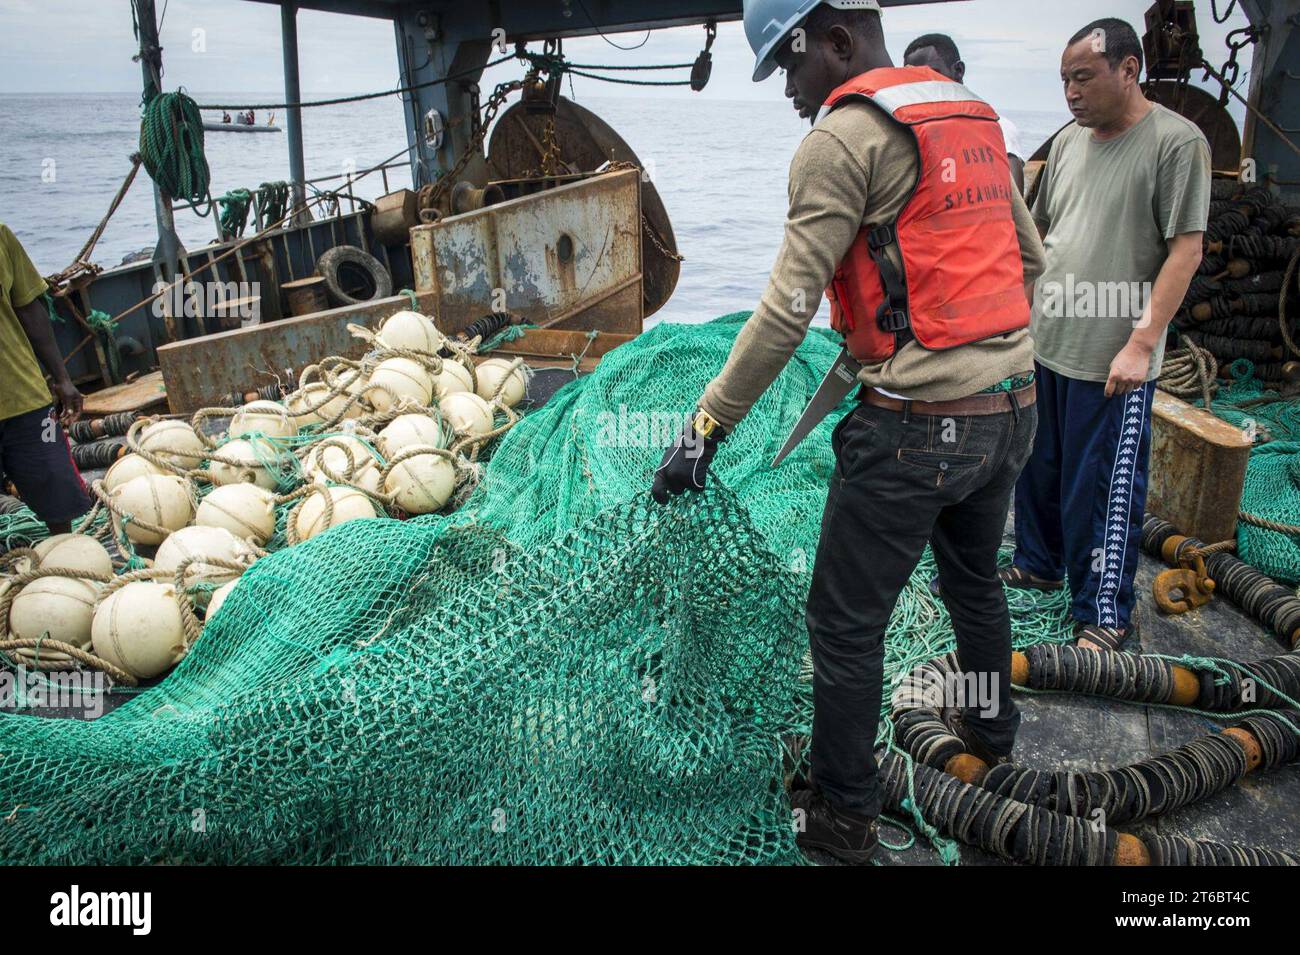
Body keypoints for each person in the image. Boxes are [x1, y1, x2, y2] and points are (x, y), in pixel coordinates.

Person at [650, 0, 1045, 864]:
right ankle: (992, 737)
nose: (790, 92)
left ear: (833, 40)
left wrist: (706, 425)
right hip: (1015, 407)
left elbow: (787, 311)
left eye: (789, 69)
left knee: (843, 625)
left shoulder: (839, 142)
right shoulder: (967, 113)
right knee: (974, 580)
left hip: (913, 433)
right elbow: (1034, 261)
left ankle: (844, 815)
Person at [1005, 18, 1209, 653]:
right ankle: (1038, 564)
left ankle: (1105, 614)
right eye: (1064, 79)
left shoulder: (1177, 143)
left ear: (1129, 69)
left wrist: (1142, 343)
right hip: (1048, 345)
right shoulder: (1066, 142)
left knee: (1102, 491)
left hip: (1112, 362)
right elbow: (1038, 240)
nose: (1070, 92)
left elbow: (1187, 250)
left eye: (1083, 77)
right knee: (1037, 471)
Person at [0, 223, 90, 535]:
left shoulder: (2, 236)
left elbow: (29, 308)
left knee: (57, 481)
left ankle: (67, 552)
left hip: (28, 401)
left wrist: (62, 378)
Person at [903, 32, 1026, 192]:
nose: (924, 87)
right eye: (914, 80)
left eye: (932, 75)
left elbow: (1013, 205)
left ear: (959, 70)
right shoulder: (915, 133)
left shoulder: (999, 128)